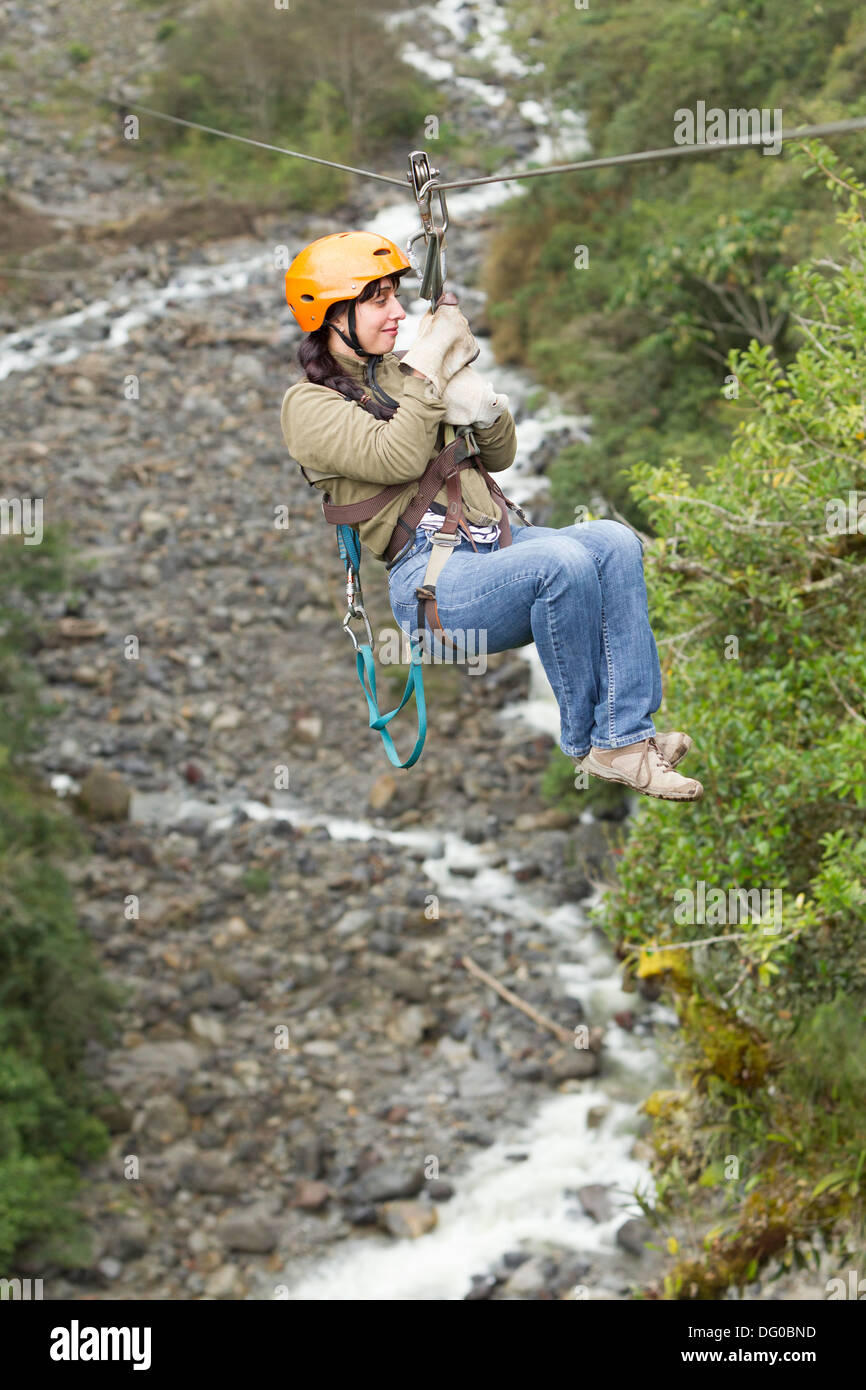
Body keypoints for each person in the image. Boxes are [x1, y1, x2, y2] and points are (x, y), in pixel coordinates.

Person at [281, 231, 703, 801]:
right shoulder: (308, 406)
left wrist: (485, 407)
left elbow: (499, 456)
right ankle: (594, 743)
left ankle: (626, 736)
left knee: (613, 542)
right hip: (433, 585)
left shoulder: (405, 374)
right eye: (378, 300)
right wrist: (429, 375)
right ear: (330, 316)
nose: (398, 313)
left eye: (394, 296)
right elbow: (396, 456)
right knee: (562, 561)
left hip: (500, 546)